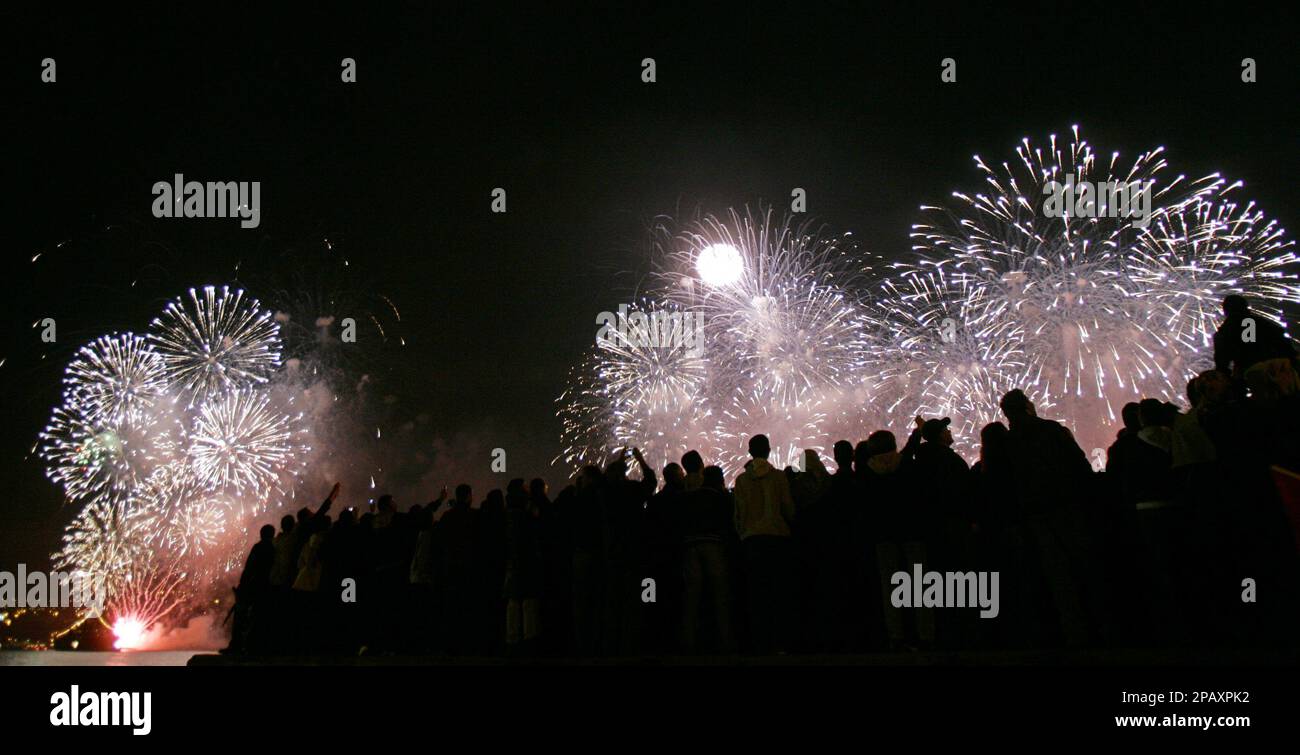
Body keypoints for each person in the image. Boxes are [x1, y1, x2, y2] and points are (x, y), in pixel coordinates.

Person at [732, 434, 796, 653]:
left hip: (752, 541)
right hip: (777, 538)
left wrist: (743, 534)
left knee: (757, 594)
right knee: (779, 592)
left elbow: (738, 515)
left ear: (750, 452)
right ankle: (781, 642)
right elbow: (788, 508)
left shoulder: (741, 480)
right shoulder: (778, 477)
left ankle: (760, 643)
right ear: (768, 451)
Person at [680, 465, 736, 653]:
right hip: (713, 545)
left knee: (692, 596)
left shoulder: (690, 497)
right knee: (720, 594)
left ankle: (688, 642)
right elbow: (730, 522)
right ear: (718, 478)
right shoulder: (721, 497)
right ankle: (725, 640)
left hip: (691, 547)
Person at [1213, 294, 1295, 383]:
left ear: (1226, 311)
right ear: (1245, 307)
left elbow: (1222, 364)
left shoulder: (1224, 332)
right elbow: (1286, 346)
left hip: (1251, 376)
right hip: (1279, 373)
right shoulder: (1263, 324)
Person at [225, 523, 276, 654]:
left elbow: (249, 568)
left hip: (253, 585)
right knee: (257, 617)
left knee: (241, 615)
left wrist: (242, 585)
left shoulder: (258, 547)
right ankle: (252, 645)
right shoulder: (274, 548)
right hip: (266, 586)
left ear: (261, 534)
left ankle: (236, 645)